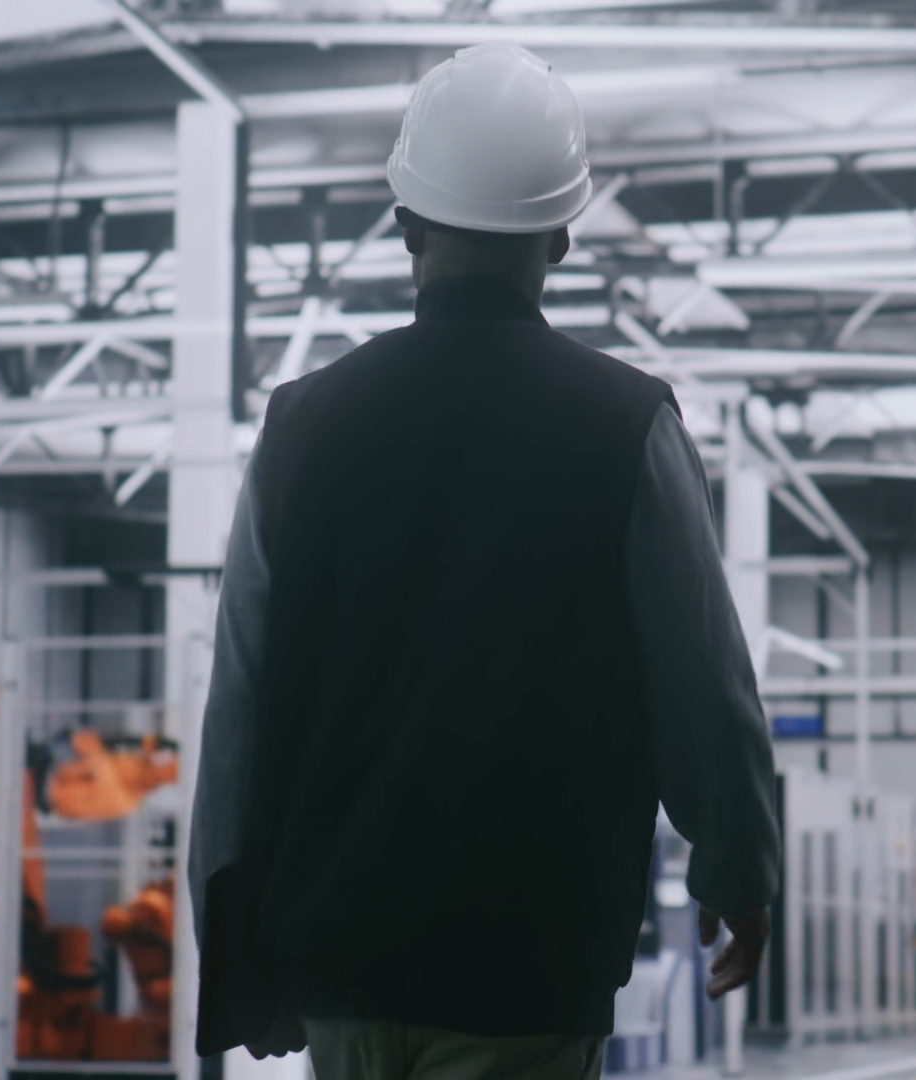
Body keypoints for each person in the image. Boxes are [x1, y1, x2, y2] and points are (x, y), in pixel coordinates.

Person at [187, 42, 781, 1080]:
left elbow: (240, 705)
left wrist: (238, 943)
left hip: (341, 964)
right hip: (527, 971)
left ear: (406, 221)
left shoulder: (302, 427)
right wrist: (741, 867)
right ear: (561, 233)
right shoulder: (625, 426)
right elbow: (703, 686)